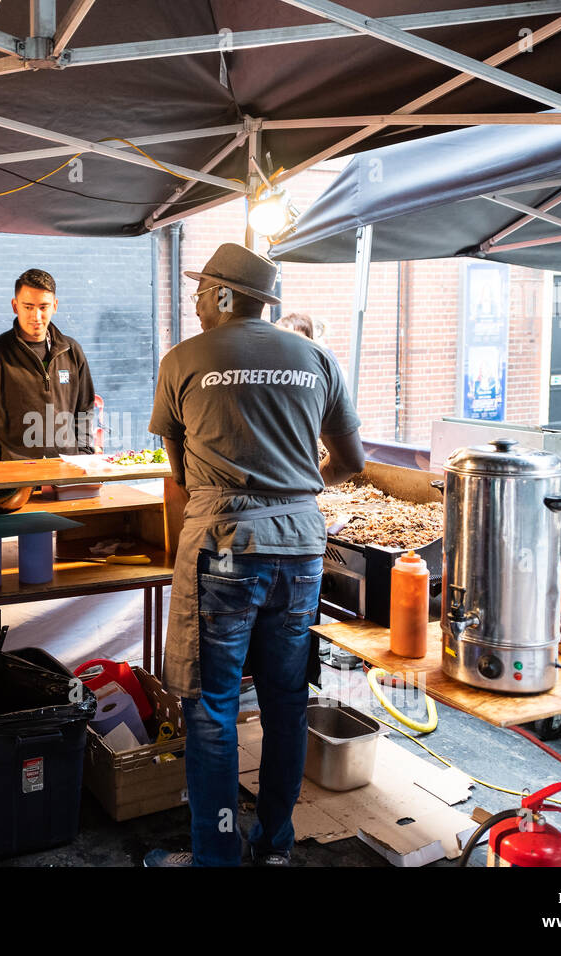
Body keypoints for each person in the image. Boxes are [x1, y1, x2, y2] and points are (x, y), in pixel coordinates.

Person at [144, 243, 364, 867]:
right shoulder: (318, 358)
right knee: (286, 701)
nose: (193, 300)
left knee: (212, 708)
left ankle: (214, 857)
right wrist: (294, 489)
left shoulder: (183, 360)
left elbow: (181, 473)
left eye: (199, 289)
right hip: (300, 547)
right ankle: (273, 847)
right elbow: (350, 462)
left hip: (225, 548)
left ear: (221, 294)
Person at [0, 268, 97, 461]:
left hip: (68, 472)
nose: (37, 316)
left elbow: (85, 410)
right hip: (15, 479)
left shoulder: (72, 351)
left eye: (43, 307)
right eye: (28, 307)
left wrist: (83, 455)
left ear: (55, 306)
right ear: (15, 306)